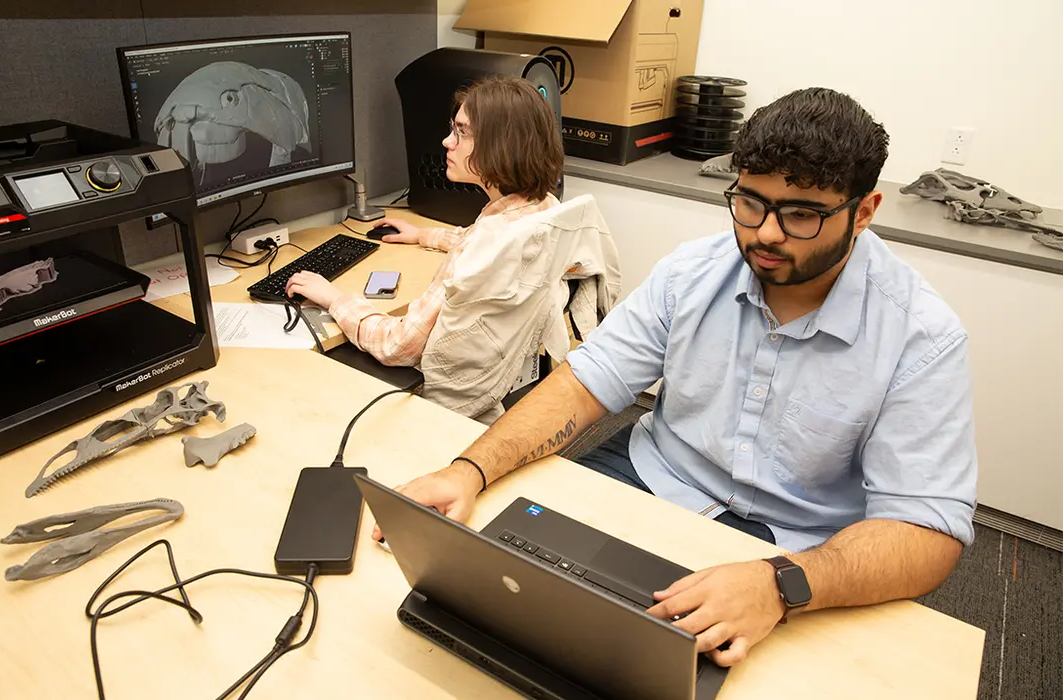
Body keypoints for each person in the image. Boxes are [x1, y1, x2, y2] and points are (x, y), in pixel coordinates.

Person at [372, 88, 978, 667]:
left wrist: (784, 584)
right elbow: (584, 383)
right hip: (651, 472)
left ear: (864, 212)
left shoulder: (920, 336)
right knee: (491, 601)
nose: (765, 232)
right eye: (750, 203)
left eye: (800, 215)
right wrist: (468, 469)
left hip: (794, 540)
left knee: (694, 670)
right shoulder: (693, 272)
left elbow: (927, 530)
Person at [285, 75, 564, 367]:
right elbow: (481, 245)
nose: (447, 142)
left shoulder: (477, 250)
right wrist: (423, 235)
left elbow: (396, 345)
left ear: (501, 145)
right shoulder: (541, 207)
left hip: (439, 395)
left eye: (462, 132)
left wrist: (334, 299)